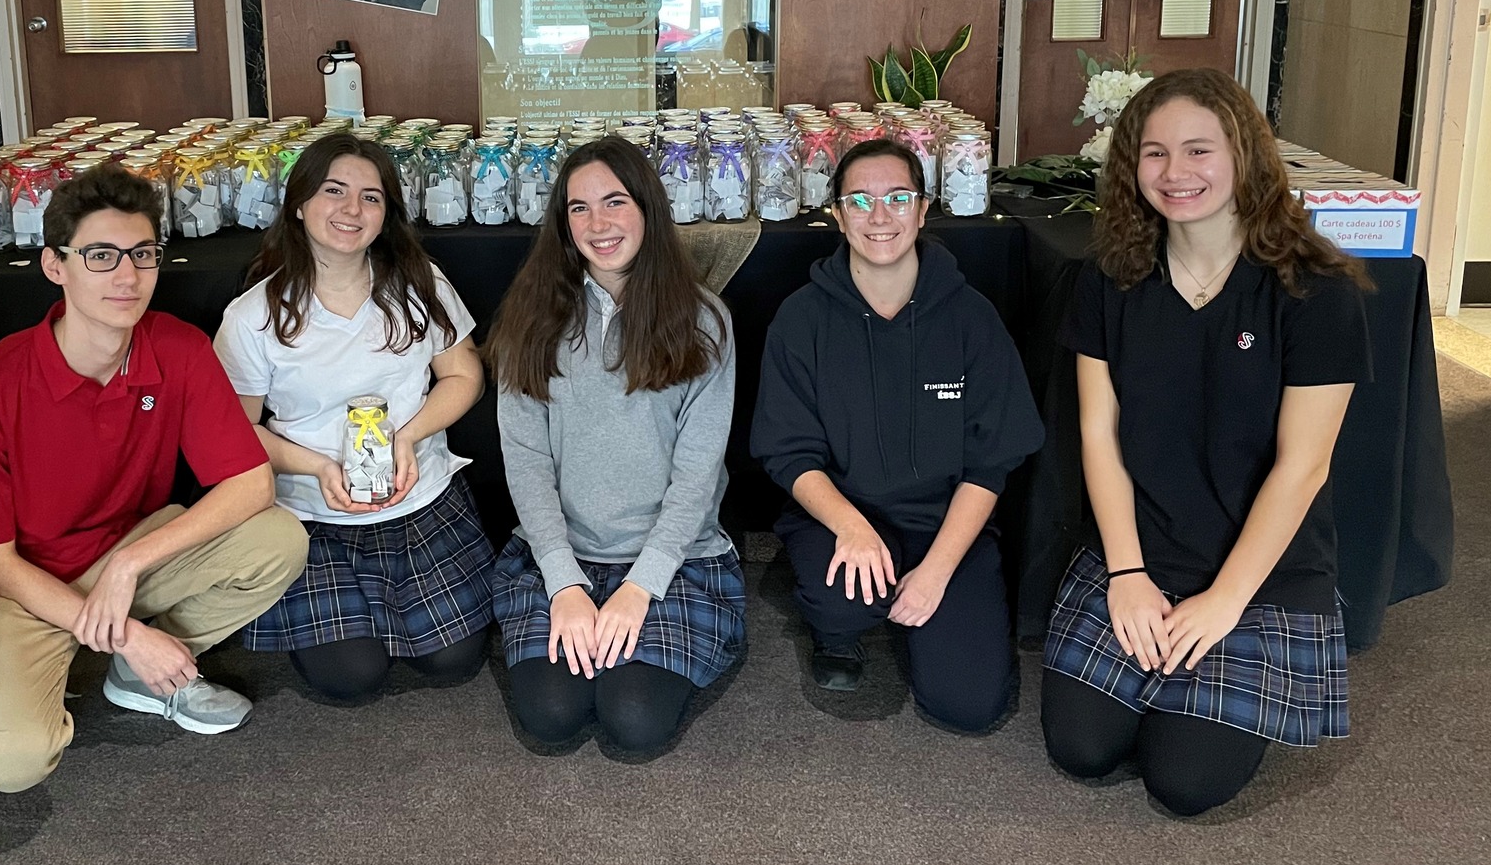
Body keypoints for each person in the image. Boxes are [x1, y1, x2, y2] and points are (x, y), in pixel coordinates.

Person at [1040, 68, 1370, 817]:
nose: (1175, 173)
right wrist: (1125, 570)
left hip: (1258, 570)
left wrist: (1224, 600)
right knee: (1081, 749)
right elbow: (1099, 432)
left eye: (1199, 150)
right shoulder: (1109, 277)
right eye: (1154, 154)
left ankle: (1202, 673)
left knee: (1185, 784)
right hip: (1141, 550)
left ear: (1245, 155)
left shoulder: (1316, 290)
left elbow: (1304, 465)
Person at [0, 164, 308, 794]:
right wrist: (125, 629)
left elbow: (253, 484)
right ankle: (132, 650)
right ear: (55, 266)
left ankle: (138, 675)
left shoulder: (178, 347)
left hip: (126, 555)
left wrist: (127, 565)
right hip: (23, 590)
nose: (127, 275)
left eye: (142, 253)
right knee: (14, 765)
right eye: (101, 255)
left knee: (277, 540)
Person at [752, 138, 1043, 733]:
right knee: (846, 598)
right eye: (859, 200)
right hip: (841, 516)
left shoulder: (972, 318)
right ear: (836, 214)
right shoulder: (802, 319)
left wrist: (936, 572)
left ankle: (919, 607)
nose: (879, 216)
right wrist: (853, 529)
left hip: (946, 522)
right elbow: (788, 452)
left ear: (924, 207)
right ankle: (838, 628)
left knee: (968, 707)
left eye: (897, 198)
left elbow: (991, 462)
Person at [214, 135, 495, 702]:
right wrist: (316, 466)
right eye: (334, 191)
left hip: (418, 497)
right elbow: (235, 432)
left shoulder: (420, 285)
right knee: (350, 678)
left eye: (371, 198)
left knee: (453, 660)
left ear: (386, 214)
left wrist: (410, 437)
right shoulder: (251, 316)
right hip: (313, 515)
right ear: (299, 203)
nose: (351, 210)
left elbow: (465, 376)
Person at [485, 137, 742, 754]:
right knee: (552, 714)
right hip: (561, 552)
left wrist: (640, 587)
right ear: (561, 221)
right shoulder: (531, 318)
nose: (597, 224)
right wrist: (563, 584)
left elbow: (697, 477)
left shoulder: (704, 320)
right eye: (578, 208)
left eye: (614, 202)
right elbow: (526, 465)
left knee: (634, 718)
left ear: (648, 209)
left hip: (673, 560)